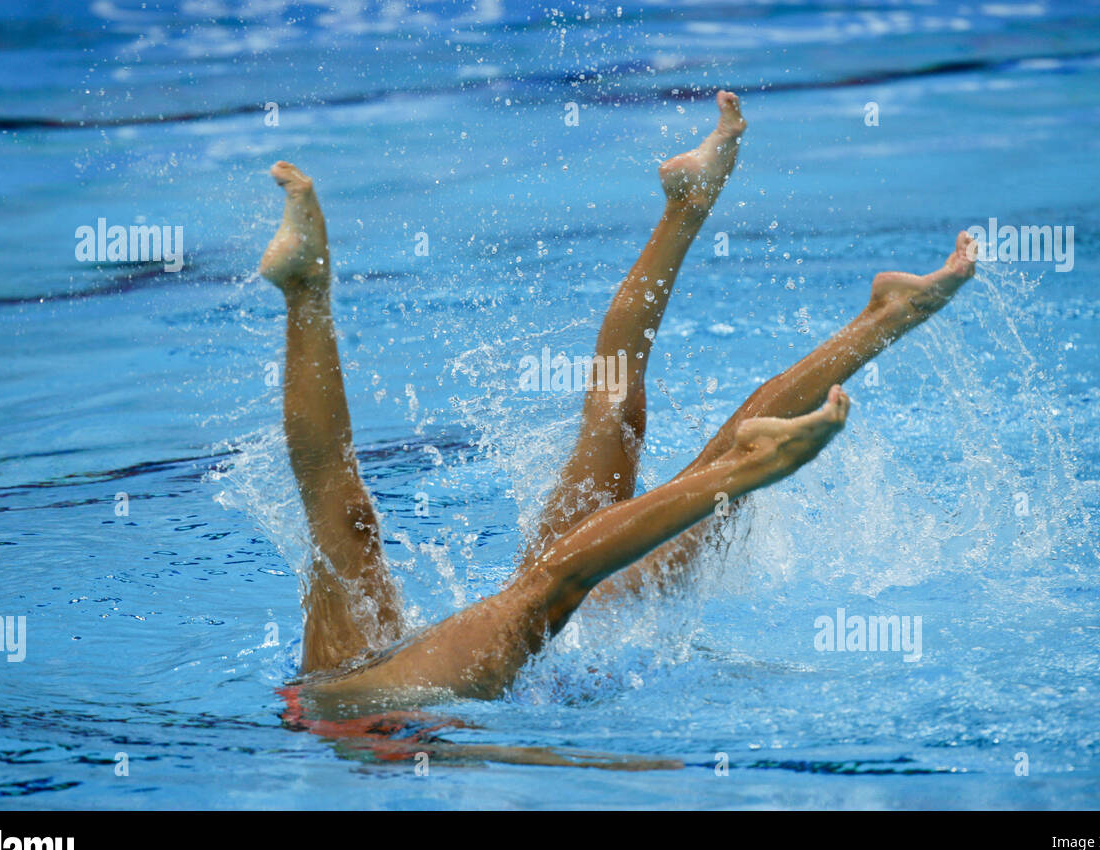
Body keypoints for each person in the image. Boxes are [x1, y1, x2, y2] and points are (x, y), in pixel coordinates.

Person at [256, 91, 976, 708]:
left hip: (361, 707)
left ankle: (307, 289)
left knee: (378, 516)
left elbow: (559, 582)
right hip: (383, 710)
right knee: (597, 482)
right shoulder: (611, 620)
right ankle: (868, 319)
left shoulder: (589, 625)